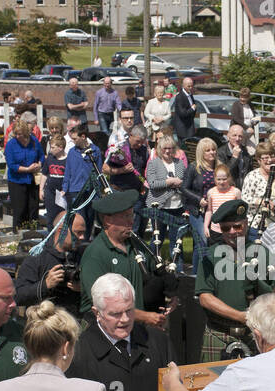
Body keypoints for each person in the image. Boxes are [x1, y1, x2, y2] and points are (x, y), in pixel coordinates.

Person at [194, 198, 275, 359]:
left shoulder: (262, 253)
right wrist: (240, 316)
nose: (232, 231)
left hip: (255, 336)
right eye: (226, 228)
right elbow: (205, 297)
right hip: (219, 335)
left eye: (237, 226)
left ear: (245, 223)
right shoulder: (210, 256)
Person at [78, 189, 169, 327]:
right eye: (125, 217)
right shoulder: (95, 254)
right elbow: (103, 303)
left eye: (131, 215)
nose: (131, 221)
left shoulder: (136, 244)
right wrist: (144, 316)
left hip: (134, 328)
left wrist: (169, 295)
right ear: (108, 221)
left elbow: (157, 273)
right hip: (105, 331)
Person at [15, 210, 87, 318]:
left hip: (75, 320)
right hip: (45, 324)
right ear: (61, 231)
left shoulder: (83, 255)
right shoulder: (37, 258)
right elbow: (18, 296)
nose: (82, 237)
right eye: (78, 232)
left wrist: (83, 289)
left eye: (83, 232)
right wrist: (45, 285)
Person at [146, 131, 187, 272]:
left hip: (177, 207)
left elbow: (183, 182)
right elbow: (152, 184)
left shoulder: (179, 163)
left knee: (177, 241)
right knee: (157, 239)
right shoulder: (153, 164)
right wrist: (170, 181)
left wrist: (174, 183)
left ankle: (178, 269)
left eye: (170, 148)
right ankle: (151, 266)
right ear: (160, 149)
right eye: (165, 148)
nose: (168, 151)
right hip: (159, 207)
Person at [181, 136, 217, 267]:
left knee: (204, 243)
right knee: (203, 240)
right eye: (208, 150)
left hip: (214, 210)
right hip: (197, 211)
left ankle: (201, 273)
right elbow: (184, 188)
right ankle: (198, 273)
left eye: (213, 149)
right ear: (201, 152)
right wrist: (198, 199)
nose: (212, 152)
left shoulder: (218, 167)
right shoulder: (194, 167)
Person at [5, 117, 43, 229]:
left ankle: (33, 230)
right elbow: (11, 165)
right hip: (17, 180)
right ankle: (18, 231)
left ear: (26, 132)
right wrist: (27, 169)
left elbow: (41, 155)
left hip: (32, 179)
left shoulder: (34, 141)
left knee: (33, 208)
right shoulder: (11, 144)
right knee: (20, 209)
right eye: (16, 134)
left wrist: (39, 164)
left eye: (20, 134)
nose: (17, 136)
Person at [242, 143, 275, 234]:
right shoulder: (252, 176)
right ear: (258, 160)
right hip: (256, 224)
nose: (269, 160)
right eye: (265, 158)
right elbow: (244, 198)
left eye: (272, 156)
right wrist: (261, 202)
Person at [203, 164, 240, 241]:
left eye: (224, 179)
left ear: (229, 178)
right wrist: (206, 226)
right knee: (215, 251)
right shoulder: (211, 192)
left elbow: (240, 212)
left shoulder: (236, 192)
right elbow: (209, 210)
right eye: (219, 179)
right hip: (215, 230)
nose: (221, 182)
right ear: (214, 179)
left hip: (232, 230)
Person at [39, 132, 67, 231]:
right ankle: (50, 238)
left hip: (62, 192)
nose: (50, 150)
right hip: (50, 191)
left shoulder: (67, 160)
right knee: (50, 216)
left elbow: (70, 177)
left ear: (60, 147)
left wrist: (66, 189)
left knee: (62, 215)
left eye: (53, 147)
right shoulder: (50, 158)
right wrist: (41, 189)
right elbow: (44, 174)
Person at [216, 123, 253, 188]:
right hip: (228, 189)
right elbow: (223, 174)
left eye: (240, 136)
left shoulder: (245, 151)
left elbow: (249, 172)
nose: (237, 139)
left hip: (244, 189)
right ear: (228, 136)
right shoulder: (220, 152)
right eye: (234, 135)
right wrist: (234, 157)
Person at [172, 75, 198, 147]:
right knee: (183, 148)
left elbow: (194, 108)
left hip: (190, 126)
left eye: (191, 86)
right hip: (182, 127)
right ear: (183, 85)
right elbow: (182, 113)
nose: (190, 88)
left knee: (190, 148)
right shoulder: (179, 97)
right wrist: (192, 109)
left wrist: (194, 109)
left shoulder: (190, 95)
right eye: (188, 86)